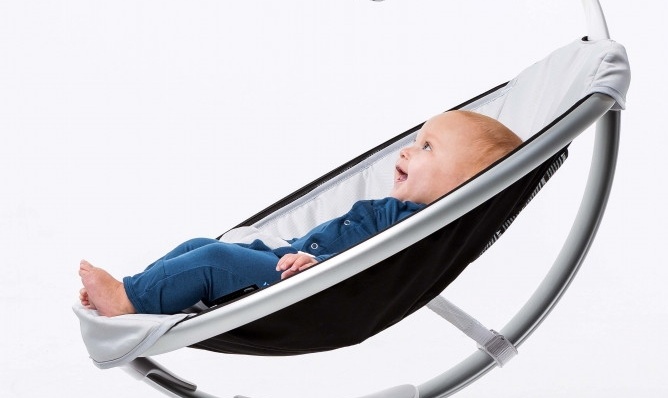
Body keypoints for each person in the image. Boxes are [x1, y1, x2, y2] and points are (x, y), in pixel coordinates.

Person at [79, 110, 521, 316]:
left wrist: (318, 264)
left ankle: (128, 301)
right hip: (290, 261)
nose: (407, 150)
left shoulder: (417, 229)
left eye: (427, 148)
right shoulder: (405, 212)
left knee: (214, 259)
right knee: (201, 245)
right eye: (416, 139)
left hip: (312, 284)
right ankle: (139, 292)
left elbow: (373, 269)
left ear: (463, 186)